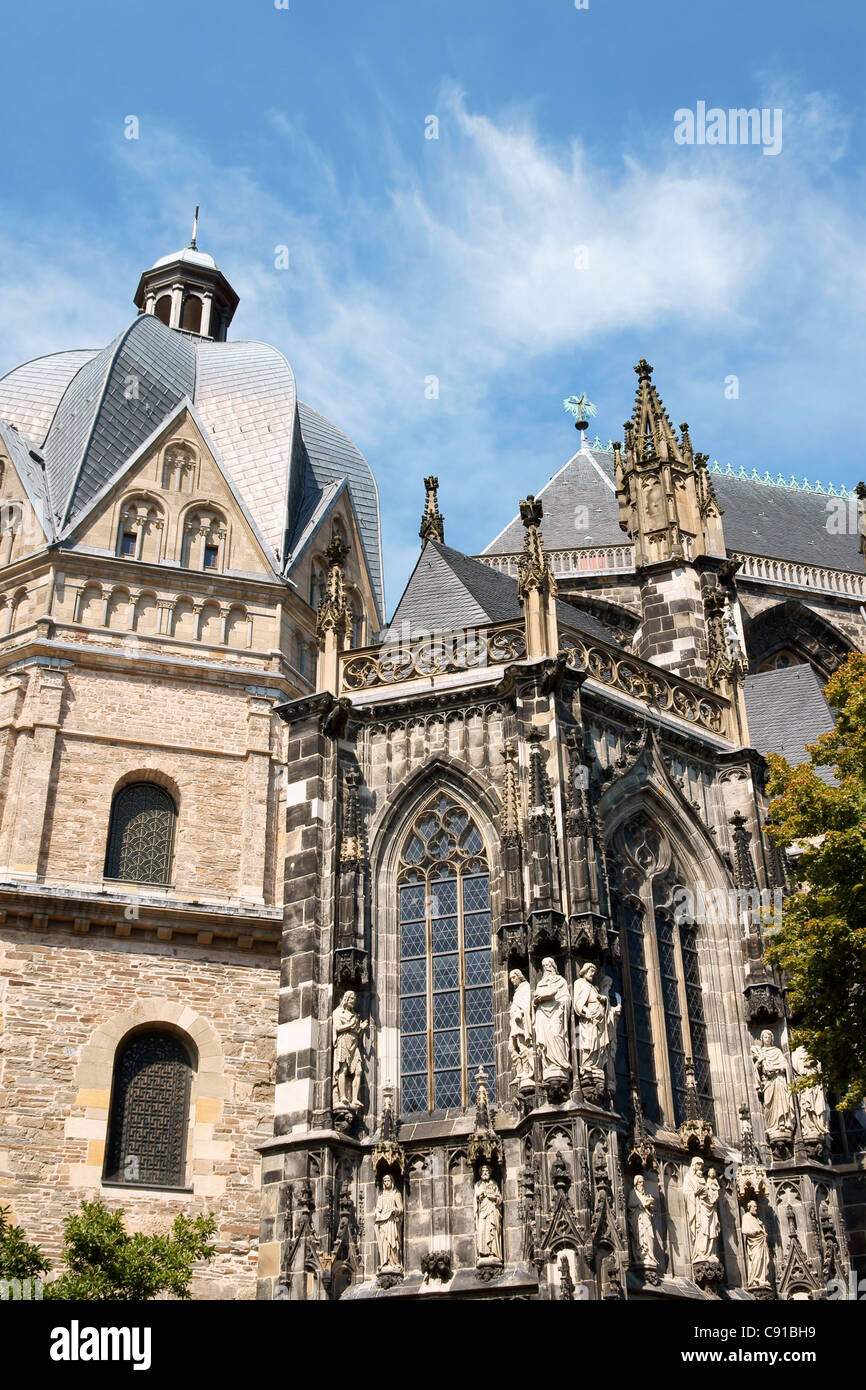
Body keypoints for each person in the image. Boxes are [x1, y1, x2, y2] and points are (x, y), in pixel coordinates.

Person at [532, 958, 571, 1081]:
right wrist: (536, 1000)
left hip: (556, 1012)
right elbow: (534, 1001)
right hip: (542, 1014)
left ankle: (560, 1062)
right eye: (544, 966)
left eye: (549, 965)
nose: (547, 967)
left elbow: (566, 998)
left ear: (554, 966)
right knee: (544, 1039)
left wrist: (561, 1005)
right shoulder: (540, 984)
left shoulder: (561, 981)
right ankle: (548, 1064)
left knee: (556, 1035)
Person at [332, 989, 367, 1109]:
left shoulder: (355, 1016)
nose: (353, 1001)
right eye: (351, 999)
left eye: (354, 999)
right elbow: (337, 1027)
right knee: (344, 1069)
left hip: (354, 1042)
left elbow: (357, 1033)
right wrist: (350, 1025)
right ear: (346, 999)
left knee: (359, 1070)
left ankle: (355, 1098)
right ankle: (342, 1097)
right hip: (344, 1040)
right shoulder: (338, 1012)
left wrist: (361, 1028)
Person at [474, 1163, 503, 1263]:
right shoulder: (477, 1184)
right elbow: (475, 1199)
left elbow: (499, 1198)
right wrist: (479, 1197)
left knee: (493, 1229)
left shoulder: (494, 1183)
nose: (485, 1173)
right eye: (483, 1171)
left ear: (490, 1172)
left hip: (492, 1210)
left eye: (486, 1171)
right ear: (480, 1173)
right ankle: (483, 1252)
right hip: (482, 1211)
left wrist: (494, 1197)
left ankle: (493, 1252)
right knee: (482, 1230)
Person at [374, 1174, 404, 1271]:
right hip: (383, 1222)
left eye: (388, 1181)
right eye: (385, 1181)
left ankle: (395, 1262)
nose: (387, 1183)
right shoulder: (381, 1195)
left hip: (391, 1221)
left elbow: (401, 1208)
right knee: (384, 1242)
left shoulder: (396, 1194)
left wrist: (395, 1211)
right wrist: (377, 1213)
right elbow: (378, 1209)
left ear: (392, 1181)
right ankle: (385, 1262)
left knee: (393, 1242)